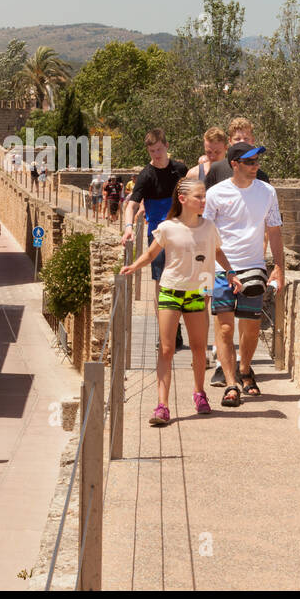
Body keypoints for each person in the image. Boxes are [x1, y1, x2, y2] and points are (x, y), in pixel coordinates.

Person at [121, 178, 235, 425]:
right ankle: (162, 405)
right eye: (199, 197)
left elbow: (216, 252)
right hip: (171, 289)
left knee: (198, 348)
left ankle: (199, 393)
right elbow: (152, 253)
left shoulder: (209, 226)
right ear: (182, 199)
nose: (203, 202)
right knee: (166, 348)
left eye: (204, 197)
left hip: (199, 289)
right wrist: (133, 266)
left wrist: (231, 273)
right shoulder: (167, 227)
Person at [205, 142, 286, 407]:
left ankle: (245, 369)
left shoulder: (267, 192)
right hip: (221, 269)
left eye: (257, 161)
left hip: (253, 268)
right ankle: (230, 384)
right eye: (250, 162)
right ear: (235, 165)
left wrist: (279, 268)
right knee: (225, 328)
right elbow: (205, 234)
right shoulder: (216, 193)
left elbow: (274, 230)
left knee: (251, 330)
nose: (255, 166)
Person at [122, 129, 189, 352]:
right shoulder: (146, 175)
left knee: (184, 281)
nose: (156, 154)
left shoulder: (180, 169)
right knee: (161, 283)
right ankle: (166, 332)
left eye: (159, 149)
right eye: (152, 151)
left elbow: (193, 194)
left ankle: (178, 326)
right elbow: (132, 204)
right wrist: (128, 227)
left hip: (183, 231)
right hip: (158, 235)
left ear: (166, 146)